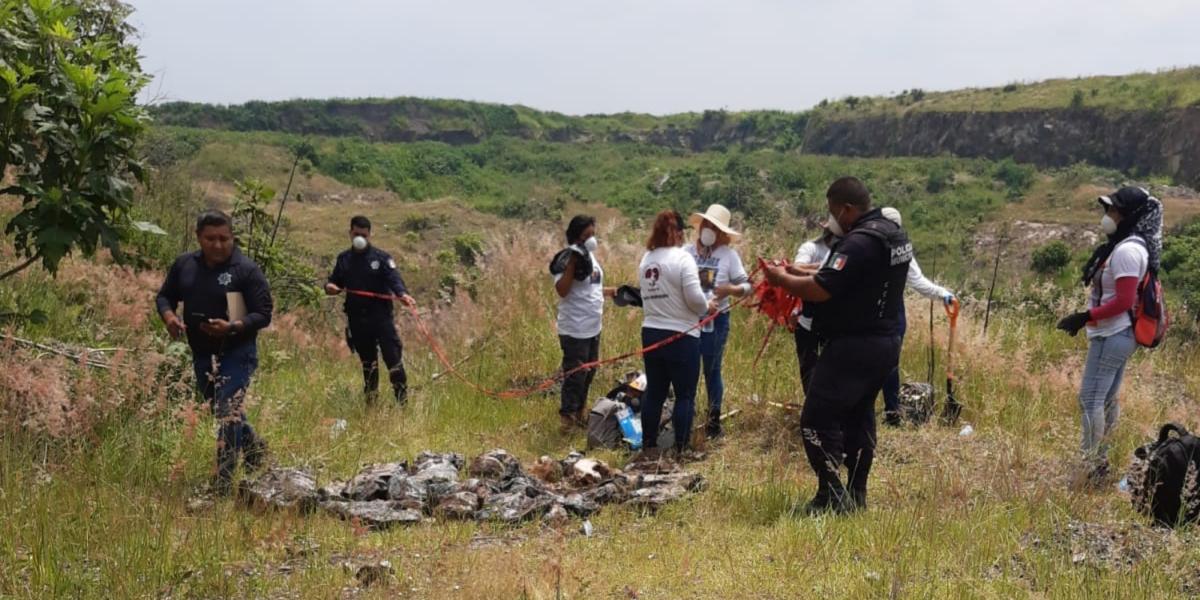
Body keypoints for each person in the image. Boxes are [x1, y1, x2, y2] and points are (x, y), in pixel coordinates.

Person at [764, 177, 912, 514]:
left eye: (833, 211)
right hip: (886, 343)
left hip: (853, 345)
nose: (832, 219)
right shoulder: (892, 235)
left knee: (816, 418)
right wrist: (799, 269)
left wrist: (781, 279)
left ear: (846, 209)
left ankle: (830, 495)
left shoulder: (858, 242)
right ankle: (856, 493)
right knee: (860, 415)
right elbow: (845, 273)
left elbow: (821, 289)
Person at [156, 209, 273, 493]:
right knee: (221, 410)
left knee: (227, 411)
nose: (218, 245)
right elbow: (165, 296)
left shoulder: (245, 270)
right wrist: (169, 317)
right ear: (198, 237)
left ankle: (222, 483)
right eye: (210, 239)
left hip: (237, 350)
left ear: (232, 237)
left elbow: (263, 314)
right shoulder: (185, 265)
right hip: (201, 351)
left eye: (224, 238)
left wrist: (232, 326)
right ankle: (255, 450)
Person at [1056, 186, 1162, 484]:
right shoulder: (1127, 245)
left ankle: (1091, 466)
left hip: (1114, 332)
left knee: (1090, 398)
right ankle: (1100, 463)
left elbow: (1124, 301)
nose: (1108, 215)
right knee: (1106, 400)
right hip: (1115, 332)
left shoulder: (1128, 251)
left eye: (1114, 210)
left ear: (1130, 215)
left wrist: (1085, 317)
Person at [639, 210, 711, 454]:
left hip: (651, 332)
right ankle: (681, 448)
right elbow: (695, 300)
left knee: (654, 393)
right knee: (684, 395)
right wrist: (707, 305)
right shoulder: (683, 258)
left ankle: (648, 445)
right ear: (679, 233)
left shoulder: (647, 259)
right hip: (682, 335)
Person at [325, 215, 416, 405]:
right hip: (357, 320)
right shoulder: (344, 259)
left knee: (393, 359)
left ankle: (402, 402)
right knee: (368, 365)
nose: (360, 238)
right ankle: (371, 406)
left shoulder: (381, 258)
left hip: (381, 318)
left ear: (370, 235)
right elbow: (334, 282)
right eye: (356, 234)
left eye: (364, 235)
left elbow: (394, 279)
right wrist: (330, 287)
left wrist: (403, 295)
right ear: (350, 233)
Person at [878, 207, 955, 426]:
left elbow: (917, 280)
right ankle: (879, 411)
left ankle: (892, 412)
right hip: (881, 312)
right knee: (879, 362)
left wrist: (943, 294)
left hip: (890, 311)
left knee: (889, 363)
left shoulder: (899, 249)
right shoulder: (867, 246)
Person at [685, 204, 751, 439]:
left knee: (712, 370)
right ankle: (686, 417)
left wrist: (729, 290)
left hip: (716, 320)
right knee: (687, 369)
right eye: (707, 225)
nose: (709, 230)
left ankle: (713, 421)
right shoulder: (686, 252)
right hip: (688, 319)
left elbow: (747, 286)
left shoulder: (729, 256)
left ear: (722, 233)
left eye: (714, 227)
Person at [550, 215, 616, 432]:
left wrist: (611, 292)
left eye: (593, 234)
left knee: (589, 372)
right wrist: (572, 264)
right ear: (576, 236)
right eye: (587, 235)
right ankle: (567, 420)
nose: (592, 239)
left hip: (593, 327)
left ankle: (580, 413)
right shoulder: (567, 258)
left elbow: (590, 289)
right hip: (575, 328)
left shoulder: (590, 258)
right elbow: (562, 290)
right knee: (575, 376)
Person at [791, 226, 839, 392]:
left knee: (831, 367)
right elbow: (797, 268)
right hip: (807, 319)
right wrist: (823, 268)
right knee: (808, 366)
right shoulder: (811, 248)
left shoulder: (842, 251)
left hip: (832, 321)